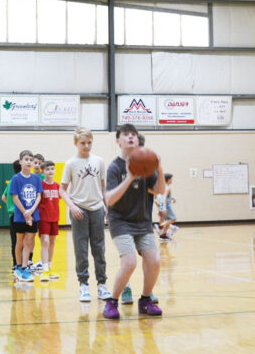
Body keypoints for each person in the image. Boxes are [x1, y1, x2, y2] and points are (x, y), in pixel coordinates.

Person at [102, 123, 165, 319]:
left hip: (142, 221)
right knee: (129, 262)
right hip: (120, 221)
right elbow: (110, 199)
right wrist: (129, 178)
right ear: (118, 141)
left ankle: (145, 300)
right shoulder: (114, 167)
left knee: (154, 260)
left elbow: (160, 190)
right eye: (125, 134)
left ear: (138, 140)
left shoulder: (146, 164)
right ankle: (112, 302)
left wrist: (159, 167)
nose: (130, 137)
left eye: (133, 135)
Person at [60, 127, 111, 303]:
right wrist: (72, 206)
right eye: (83, 143)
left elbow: (103, 187)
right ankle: (83, 285)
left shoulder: (99, 161)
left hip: (97, 209)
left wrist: (107, 207)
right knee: (80, 249)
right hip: (79, 210)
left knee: (99, 248)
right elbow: (62, 190)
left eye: (89, 142)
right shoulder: (70, 164)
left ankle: (102, 284)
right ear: (76, 143)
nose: (86, 145)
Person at [9, 152, 41, 284]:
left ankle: (25, 267)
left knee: (29, 242)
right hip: (20, 216)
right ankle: (17, 267)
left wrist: (31, 211)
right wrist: (24, 212)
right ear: (20, 161)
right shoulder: (15, 178)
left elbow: (39, 196)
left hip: (33, 215)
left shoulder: (36, 178)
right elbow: (15, 197)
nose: (29, 162)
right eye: (26, 159)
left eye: (31, 160)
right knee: (19, 242)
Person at [36, 160, 62, 282]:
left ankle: (50, 268)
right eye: (47, 169)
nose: (50, 171)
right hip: (43, 218)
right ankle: (44, 269)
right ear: (43, 171)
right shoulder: (40, 185)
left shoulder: (57, 186)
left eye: (52, 168)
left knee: (52, 242)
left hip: (54, 218)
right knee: (45, 242)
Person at [158, 173, 177, 240]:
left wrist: (172, 198)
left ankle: (163, 235)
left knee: (168, 220)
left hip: (162, 206)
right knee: (173, 219)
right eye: (171, 179)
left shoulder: (163, 187)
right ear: (168, 180)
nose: (172, 180)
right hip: (166, 207)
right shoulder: (167, 188)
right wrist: (164, 207)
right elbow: (164, 197)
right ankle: (160, 226)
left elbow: (163, 196)